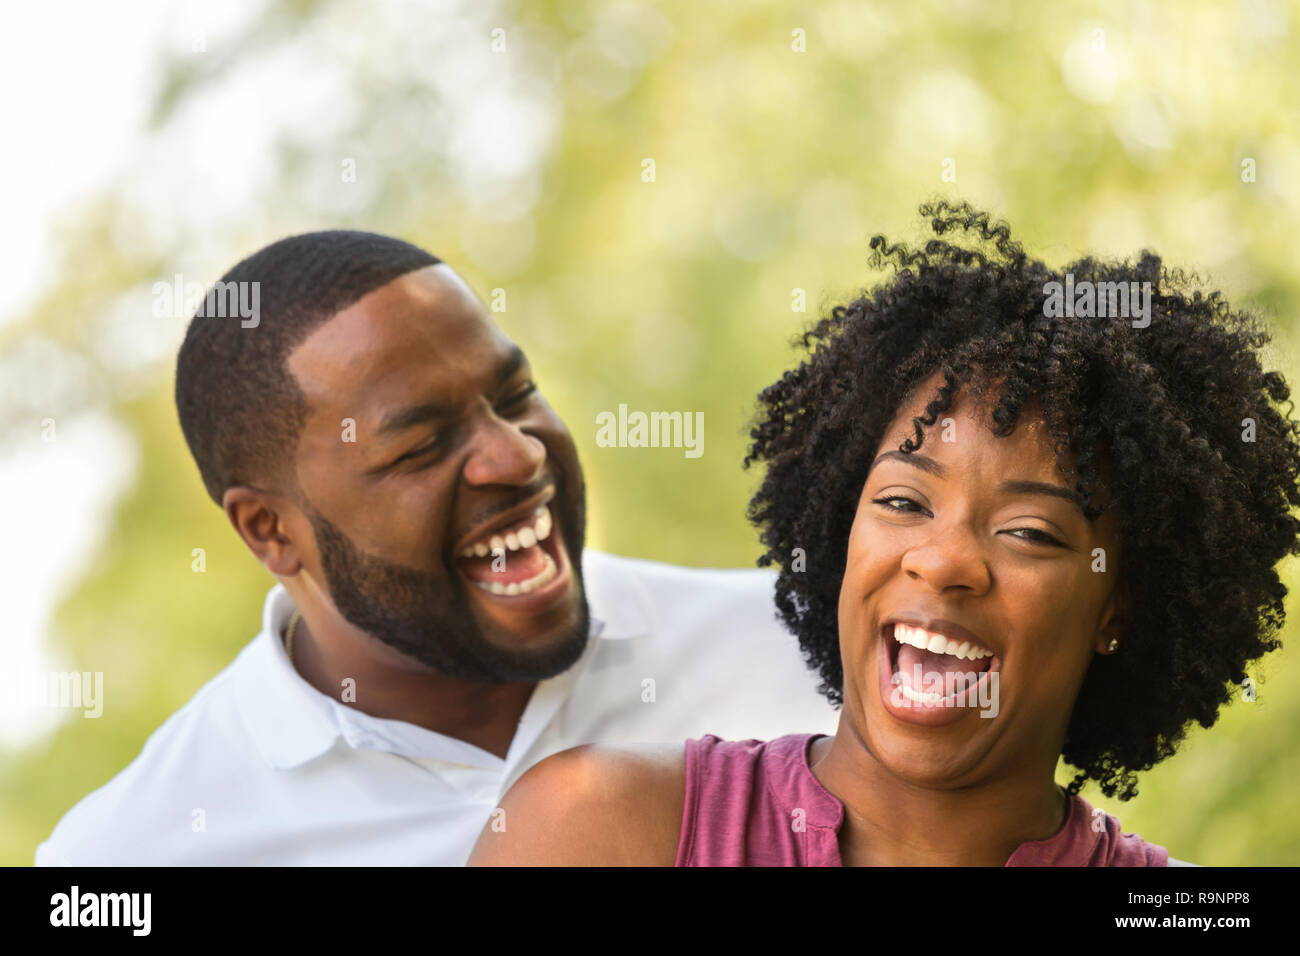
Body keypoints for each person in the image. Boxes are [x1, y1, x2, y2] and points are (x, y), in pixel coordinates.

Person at [469, 200, 1300, 866]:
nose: (942, 562)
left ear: (1121, 603)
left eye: (1030, 532)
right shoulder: (599, 833)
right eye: (904, 502)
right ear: (839, 534)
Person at [35, 230, 837, 865]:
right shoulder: (135, 854)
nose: (516, 456)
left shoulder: (804, 647)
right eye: (420, 446)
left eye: (516, 396)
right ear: (271, 531)